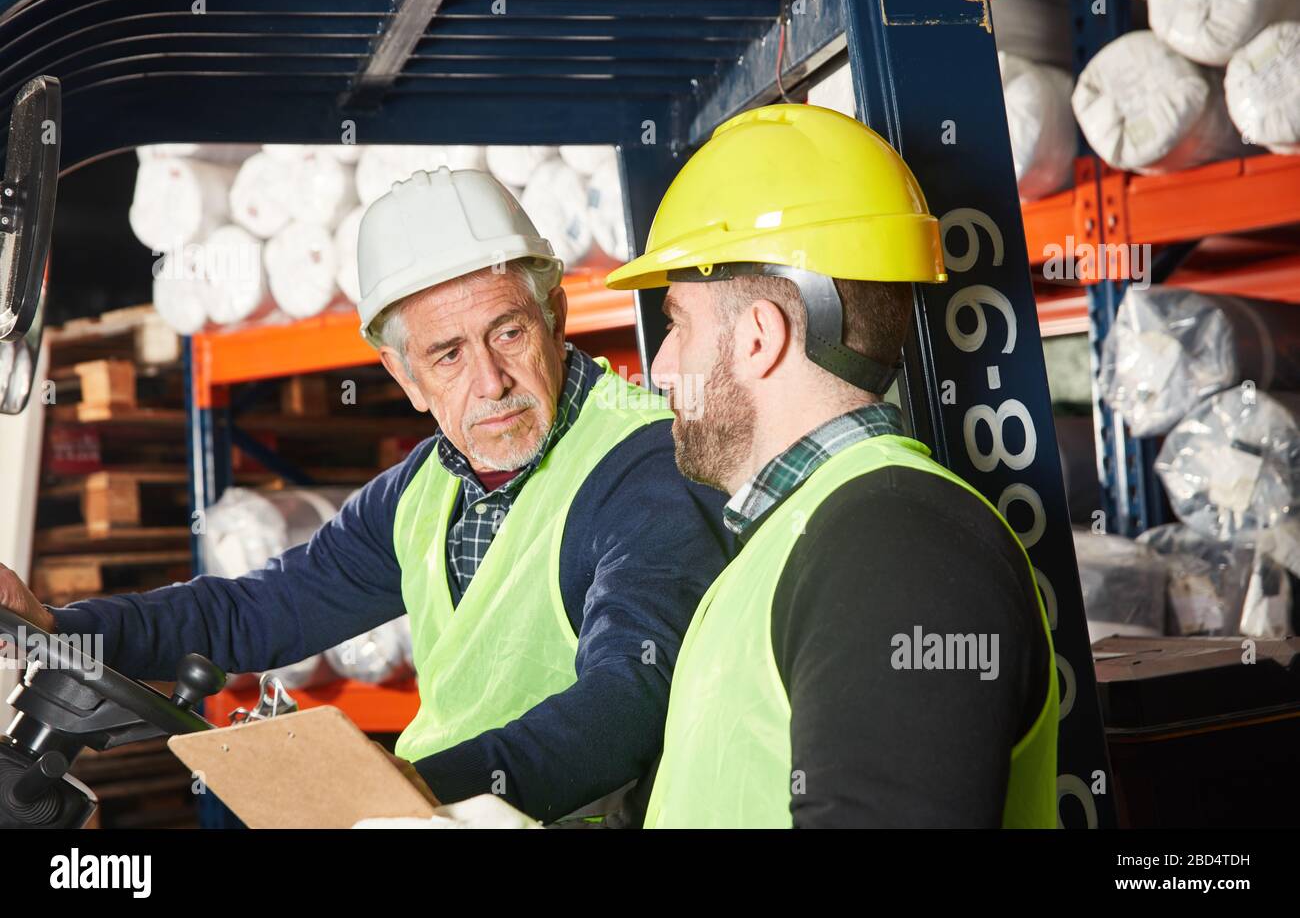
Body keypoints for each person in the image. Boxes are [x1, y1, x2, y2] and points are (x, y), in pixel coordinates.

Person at [0, 167, 732, 825]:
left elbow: (629, 698)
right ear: (403, 374)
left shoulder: (645, 467)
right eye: (448, 354)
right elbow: (254, 613)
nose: (490, 381)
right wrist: (66, 627)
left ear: (555, 317)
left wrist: (399, 797)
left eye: (507, 332)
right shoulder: (422, 491)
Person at [605, 103, 1058, 827]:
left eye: (676, 326)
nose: (660, 369)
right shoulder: (821, 533)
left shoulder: (894, 546)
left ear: (759, 338)